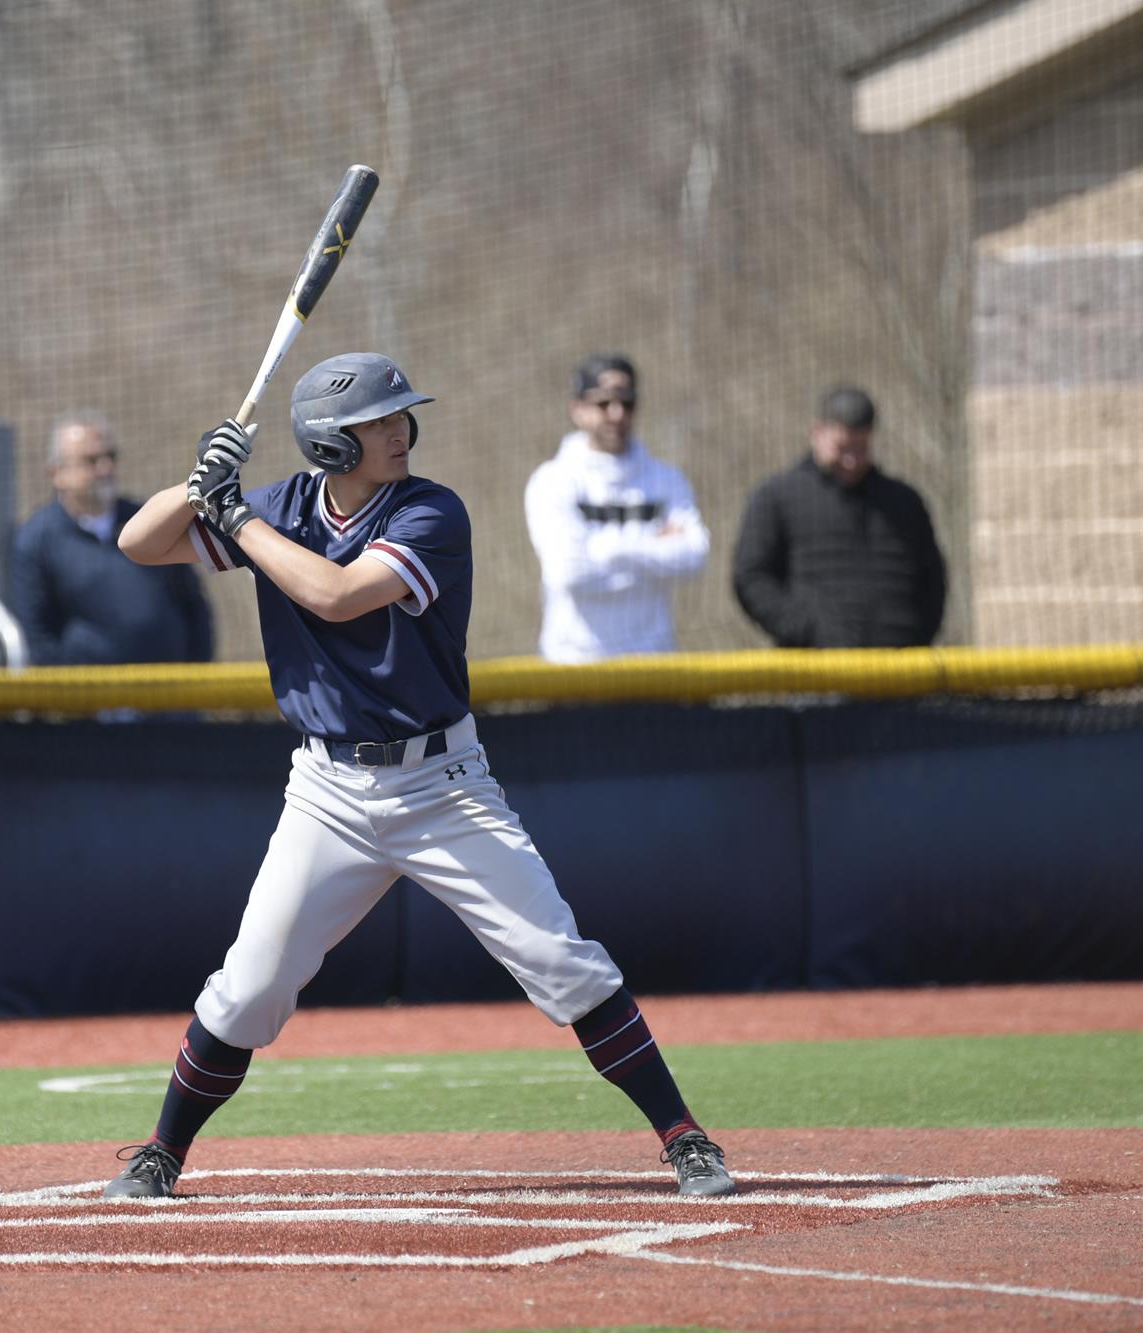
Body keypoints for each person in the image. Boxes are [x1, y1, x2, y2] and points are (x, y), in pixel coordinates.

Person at [107, 352, 735, 1201]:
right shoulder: (284, 506)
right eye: (376, 421)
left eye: (401, 414)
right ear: (330, 444)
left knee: (560, 958)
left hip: (443, 785)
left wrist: (237, 521)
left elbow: (333, 593)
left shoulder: (431, 510)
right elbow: (137, 543)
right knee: (249, 985)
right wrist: (196, 486)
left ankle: (686, 1137)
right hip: (326, 793)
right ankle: (161, 1152)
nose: (399, 429)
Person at [524, 353, 709, 661]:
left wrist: (600, 548)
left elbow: (695, 554)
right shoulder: (552, 480)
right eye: (603, 403)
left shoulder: (667, 479)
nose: (617, 413)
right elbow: (568, 571)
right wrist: (652, 544)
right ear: (578, 409)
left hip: (653, 664)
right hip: (575, 666)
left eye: (627, 402)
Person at [731, 386, 947, 648]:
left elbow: (933, 580)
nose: (851, 461)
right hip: (815, 673)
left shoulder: (904, 502)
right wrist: (805, 629)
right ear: (817, 432)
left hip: (900, 672)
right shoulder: (776, 497)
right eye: (842, 448)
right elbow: (751, 576)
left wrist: (912, 635)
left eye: (861, 448)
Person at [8, 412, 213, 665]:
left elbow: (192, 604)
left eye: (110, 457)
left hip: (173, 694)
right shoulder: (38, 539)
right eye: (91, 460)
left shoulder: (148, 521)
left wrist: (196, 675)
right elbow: (38, 635)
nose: (105, 468)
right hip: (96, 698)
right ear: (56, 472)